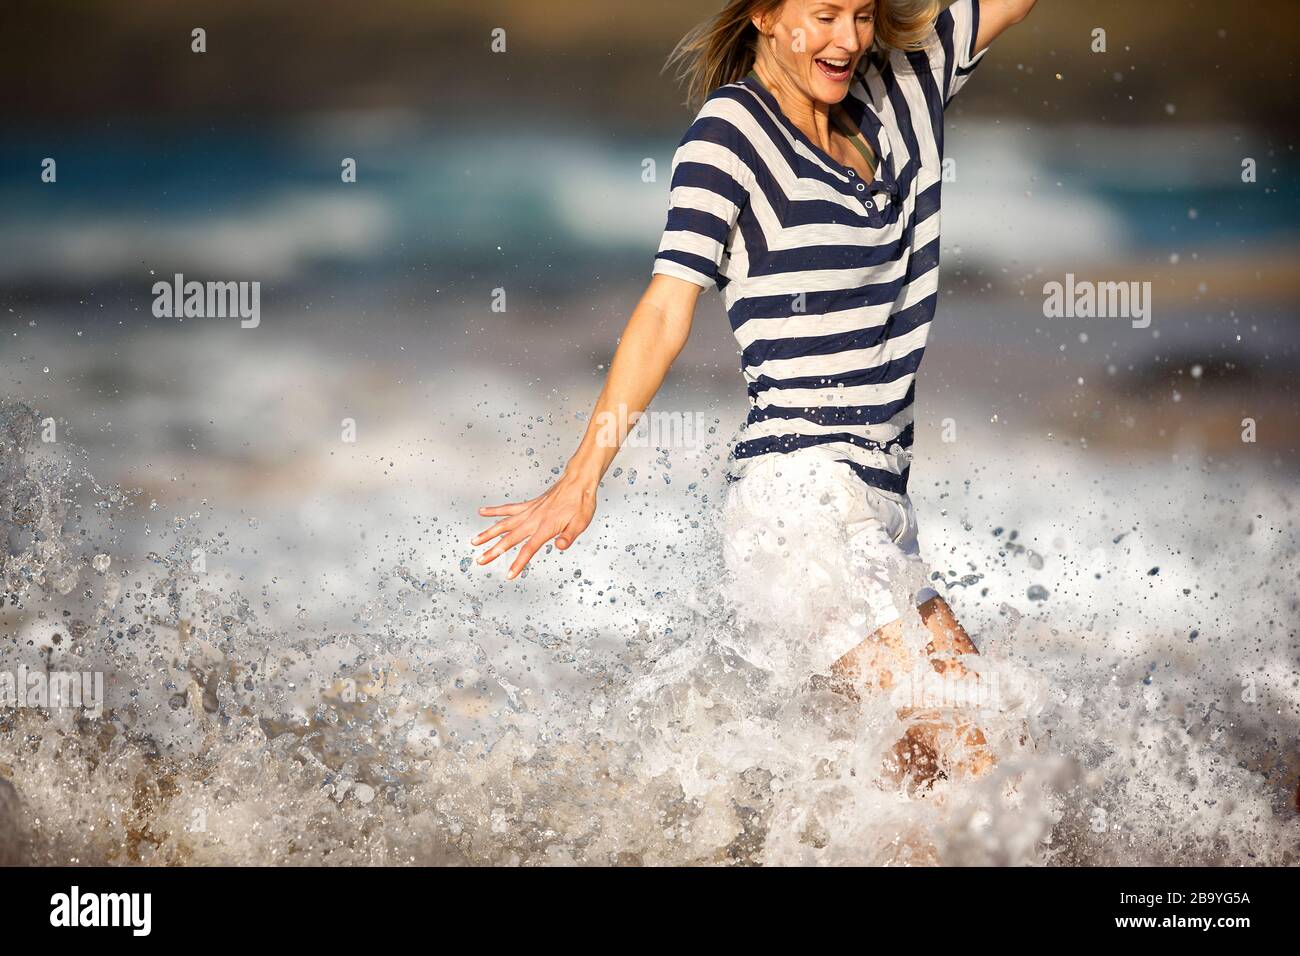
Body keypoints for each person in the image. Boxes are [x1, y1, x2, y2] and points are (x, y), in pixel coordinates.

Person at [472, 0, 1039, 791]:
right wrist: (581, 476)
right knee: (979, 761)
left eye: (864, 15)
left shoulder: (903, 88)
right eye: (826, 14)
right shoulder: (729, 133)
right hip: (796, 510)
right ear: (768, 15)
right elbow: (667, 308)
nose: (847, 39)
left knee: (936, 789)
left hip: (881, 514)